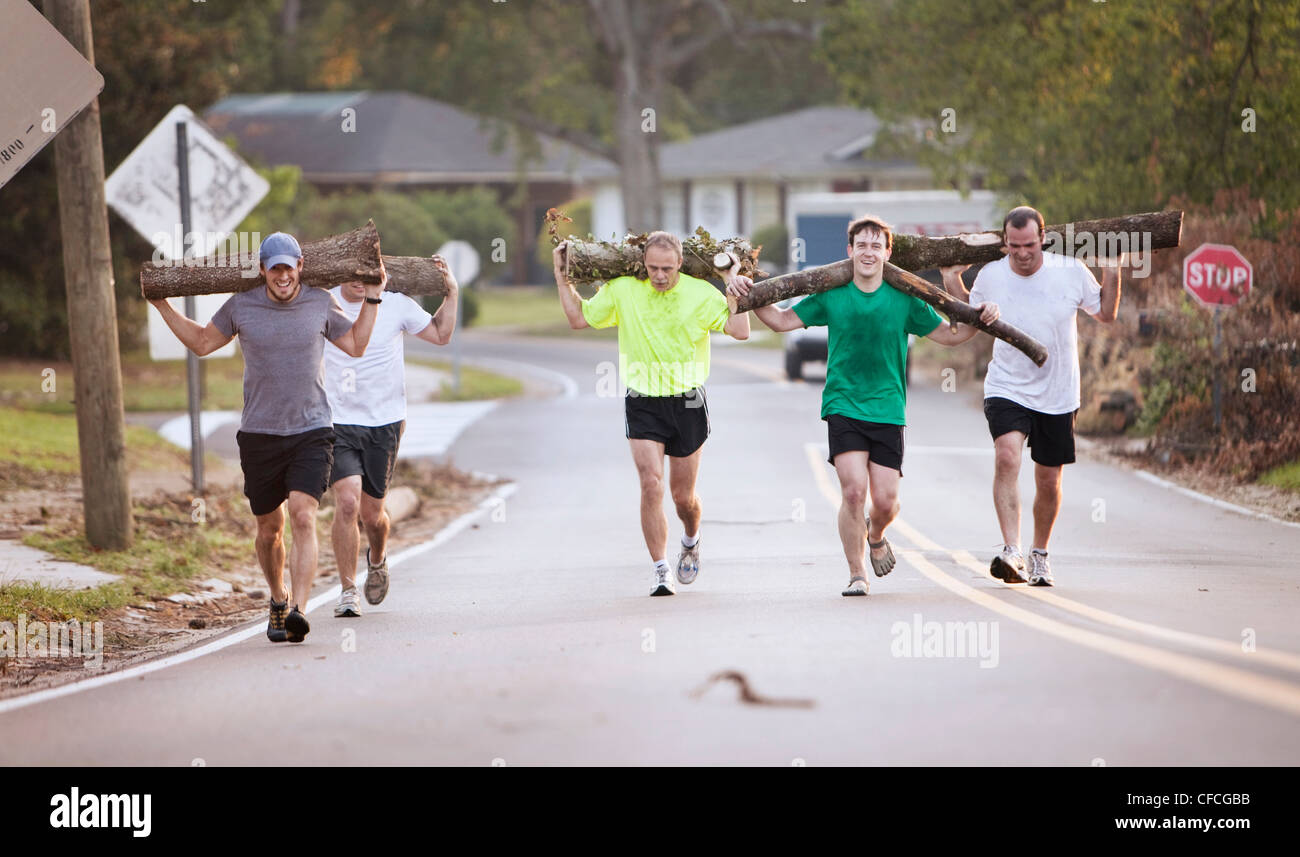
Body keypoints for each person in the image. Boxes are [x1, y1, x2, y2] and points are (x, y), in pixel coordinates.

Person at [727, 216, 998, 596]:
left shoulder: (905, 297)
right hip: (843, 403)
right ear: (850, 251)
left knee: (885, 502)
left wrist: (981, 318)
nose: (868, 252)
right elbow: (782, 321)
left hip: (888, 407)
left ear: (888, 253)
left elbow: (948, 335)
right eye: (862, 245)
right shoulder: (832, 292)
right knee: (853, 492)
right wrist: (750, 296)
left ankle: (877, 532)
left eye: (876, 246)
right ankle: (857, 573)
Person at [149, 232, 384, 642]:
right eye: (274, 269)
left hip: (313, 429)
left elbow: (356, 345)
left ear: (300, 268)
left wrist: (374, 299)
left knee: (303, 515)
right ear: (262, 270)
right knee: (268, 529)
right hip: (259, 433)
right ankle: (278, 597)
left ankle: (299, 610)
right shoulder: (242, 305)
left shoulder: (319, 302)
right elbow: (204, 343)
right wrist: (161, 304)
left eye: (288, 269)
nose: (282, 277)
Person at [553, 231, 750, 596]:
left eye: (667, 269)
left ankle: (690, 539)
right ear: (643, 264)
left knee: (683, 497)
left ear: (679, 264)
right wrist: (561, 275)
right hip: (642, 399)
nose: (659, 275)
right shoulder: (625, 289)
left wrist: (731, 290)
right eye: (653, 268)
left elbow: (739, 331)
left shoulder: (700, 293)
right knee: (650, 484)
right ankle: (661, 569)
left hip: (688, 401)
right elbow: (579, 318)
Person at [941, 205, 1122, 586]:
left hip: (1058, 390)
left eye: (1029, 245)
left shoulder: (1069, 271)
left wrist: (1112, 266)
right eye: (1014, 246)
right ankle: (1012, 550)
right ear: (1004, 243)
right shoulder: (991, 275)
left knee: (1048, 480)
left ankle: (1040, 553)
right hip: (1007, 385)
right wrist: (950, 279)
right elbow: (968, 314)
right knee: (1007, 457)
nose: (1022, 254)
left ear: (1043, 238)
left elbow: (1106, 313)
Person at [324, 255, 459, 617]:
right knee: (348, 502)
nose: (359, 280)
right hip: (338, 420)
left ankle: (378, 557)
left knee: (373, 514)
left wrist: (452, 294)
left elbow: (441, 335)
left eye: (367, 274)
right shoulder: (324, 302)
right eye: (351, 274)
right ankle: (348, 590)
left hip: (385, 421)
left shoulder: (396, 303)